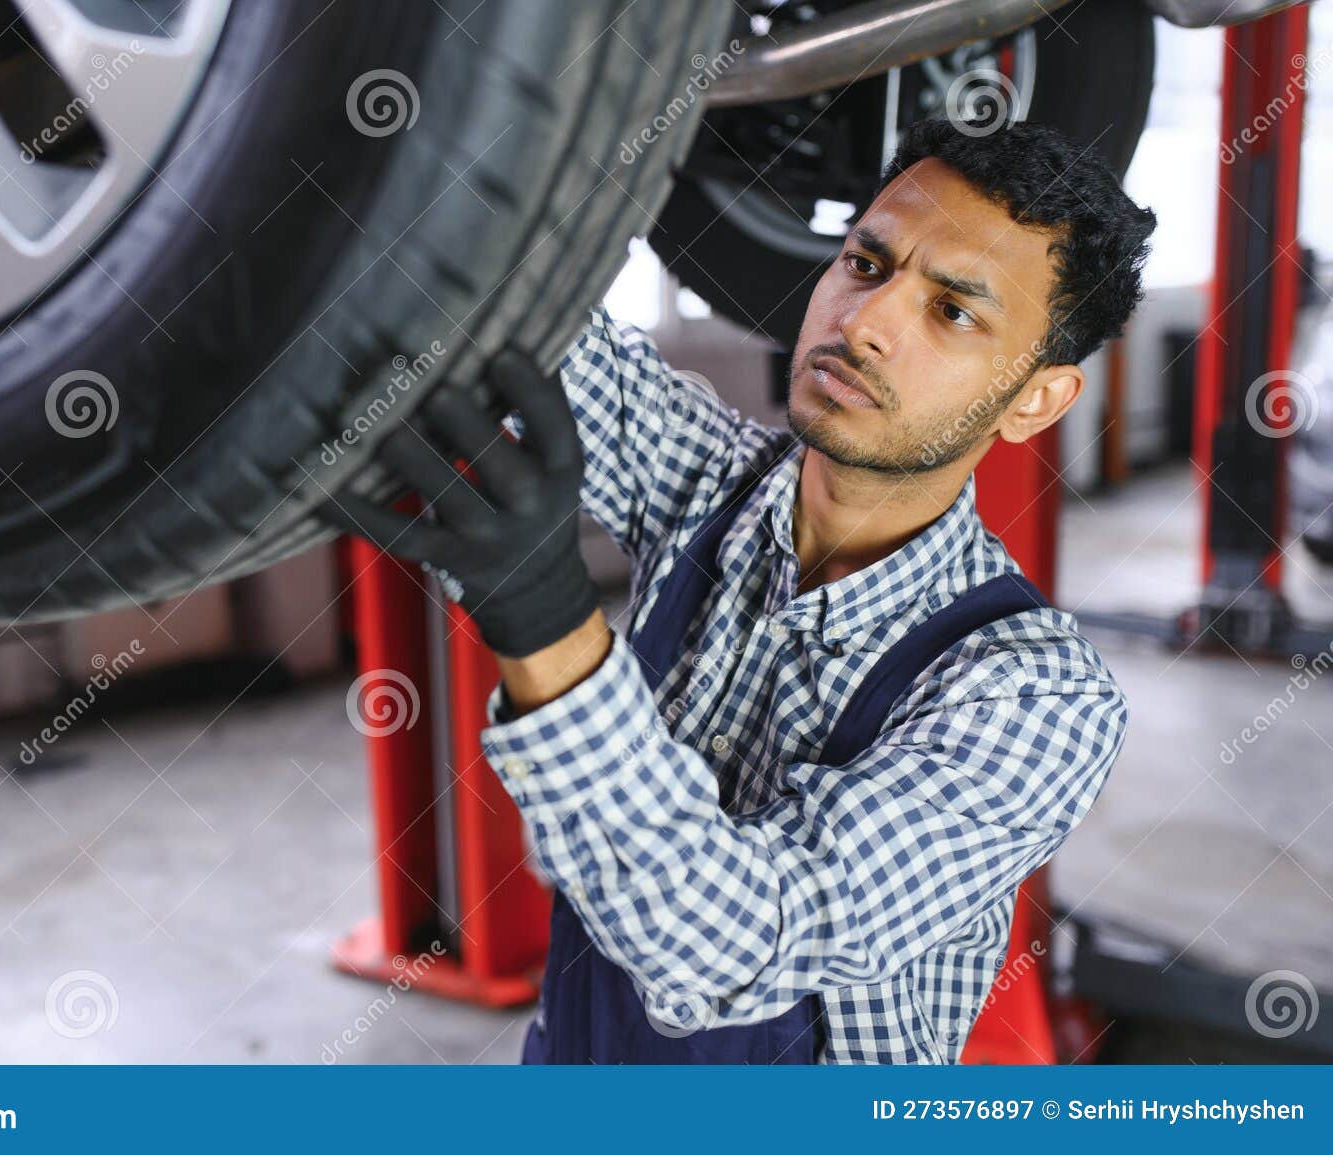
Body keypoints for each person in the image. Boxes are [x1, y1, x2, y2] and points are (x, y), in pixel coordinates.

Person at [320, 117, 1157, 1064]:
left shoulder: (1037, 701)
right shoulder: (710, 481)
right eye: (867, 265)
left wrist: (548, 623)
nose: (865, 323)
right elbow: (516, 318)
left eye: (953, 312)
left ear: (1033, 399)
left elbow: (732, 944)